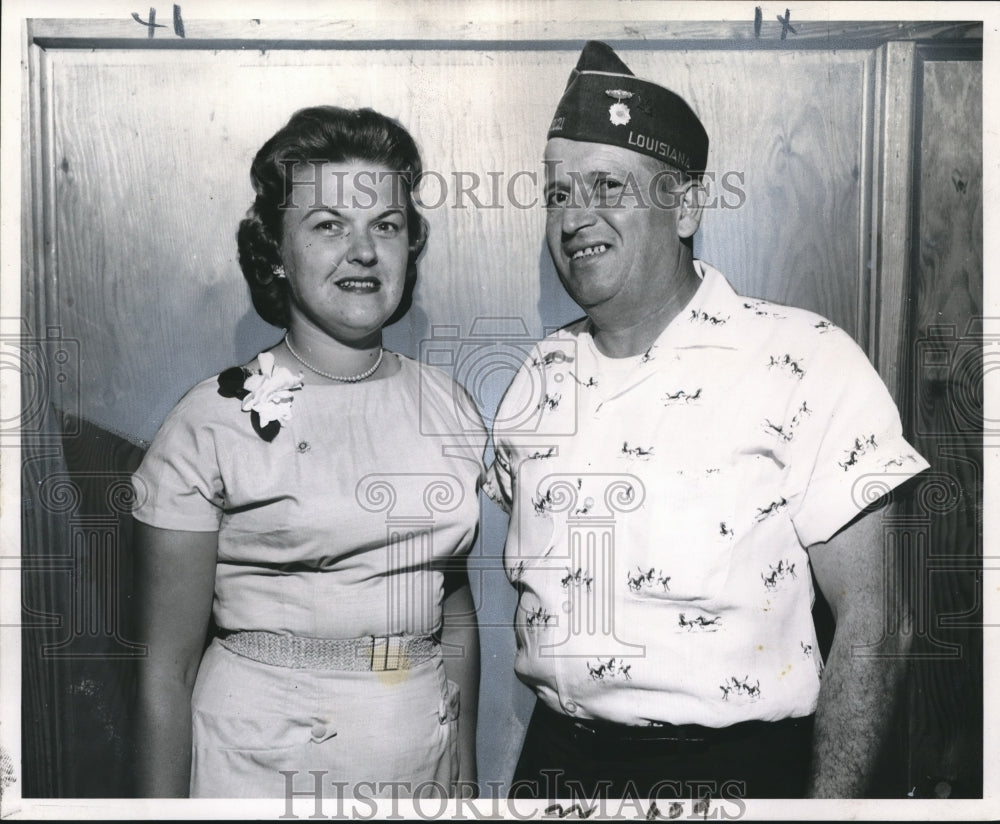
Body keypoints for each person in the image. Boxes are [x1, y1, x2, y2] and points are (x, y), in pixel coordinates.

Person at [486, 42, 929, 800]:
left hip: (737, 774)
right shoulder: (537, 378)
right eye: (558, 194)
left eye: (607, 187)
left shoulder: (805, 360)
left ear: (685, 205)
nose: (575, 218)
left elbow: (876, 628)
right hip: (557, 765)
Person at [131, 106, 485, 799]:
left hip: (417, 765)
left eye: (386, 225)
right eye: (328, 226)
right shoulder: (212, 422)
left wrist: (465, 778)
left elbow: (455, 618)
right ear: (275, 252)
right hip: (259, 770)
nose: (363, 251)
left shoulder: (449, 406)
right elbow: (161, 672)